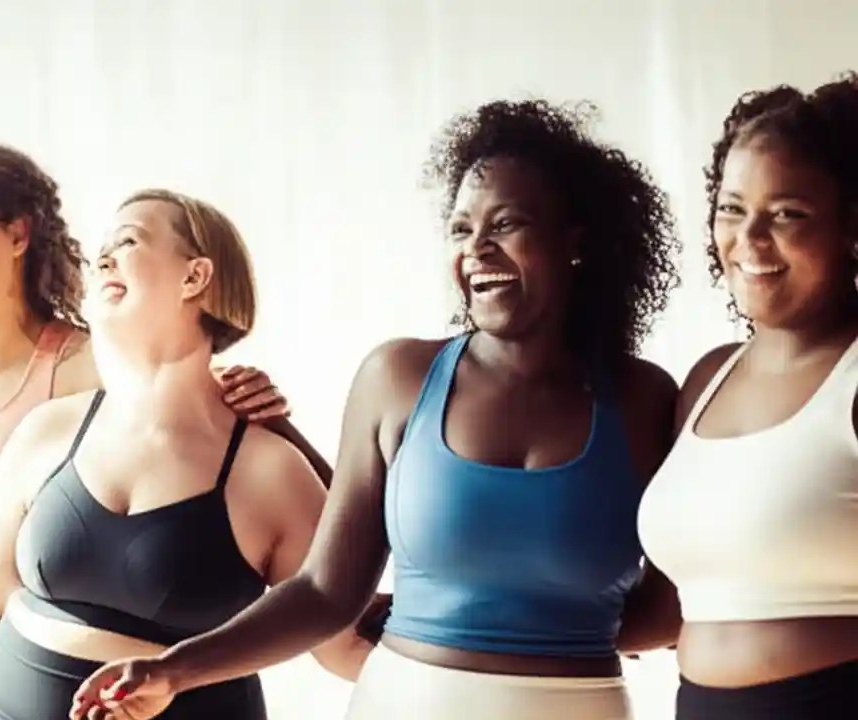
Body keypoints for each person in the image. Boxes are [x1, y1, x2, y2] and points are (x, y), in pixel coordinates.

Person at [69, 99, 684, 720]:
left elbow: (672, 608)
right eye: (461, 230)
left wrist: (556, 624)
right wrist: (172, 670)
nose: (477, 249)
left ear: (575, 241)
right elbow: (324, 592)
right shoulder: (397, 379)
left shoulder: (646, 401)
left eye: (507, 225)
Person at [0, 142, 300, 719]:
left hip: (109, 669)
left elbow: (325, 577)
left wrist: (268, 421)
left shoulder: (96, 368)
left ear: (18, 235)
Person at [0, 189, 377, 720]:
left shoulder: (267, 470)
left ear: (194, 278)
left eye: (127, 241)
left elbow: (341, 645)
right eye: (100, 250)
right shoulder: (46, 432)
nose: (102, 259)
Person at [636, 72, 858, 719]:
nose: (751, 240)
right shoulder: (707, 380)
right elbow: (663, 606)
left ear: (851, 222)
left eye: (787, 214)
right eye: (733, 209)